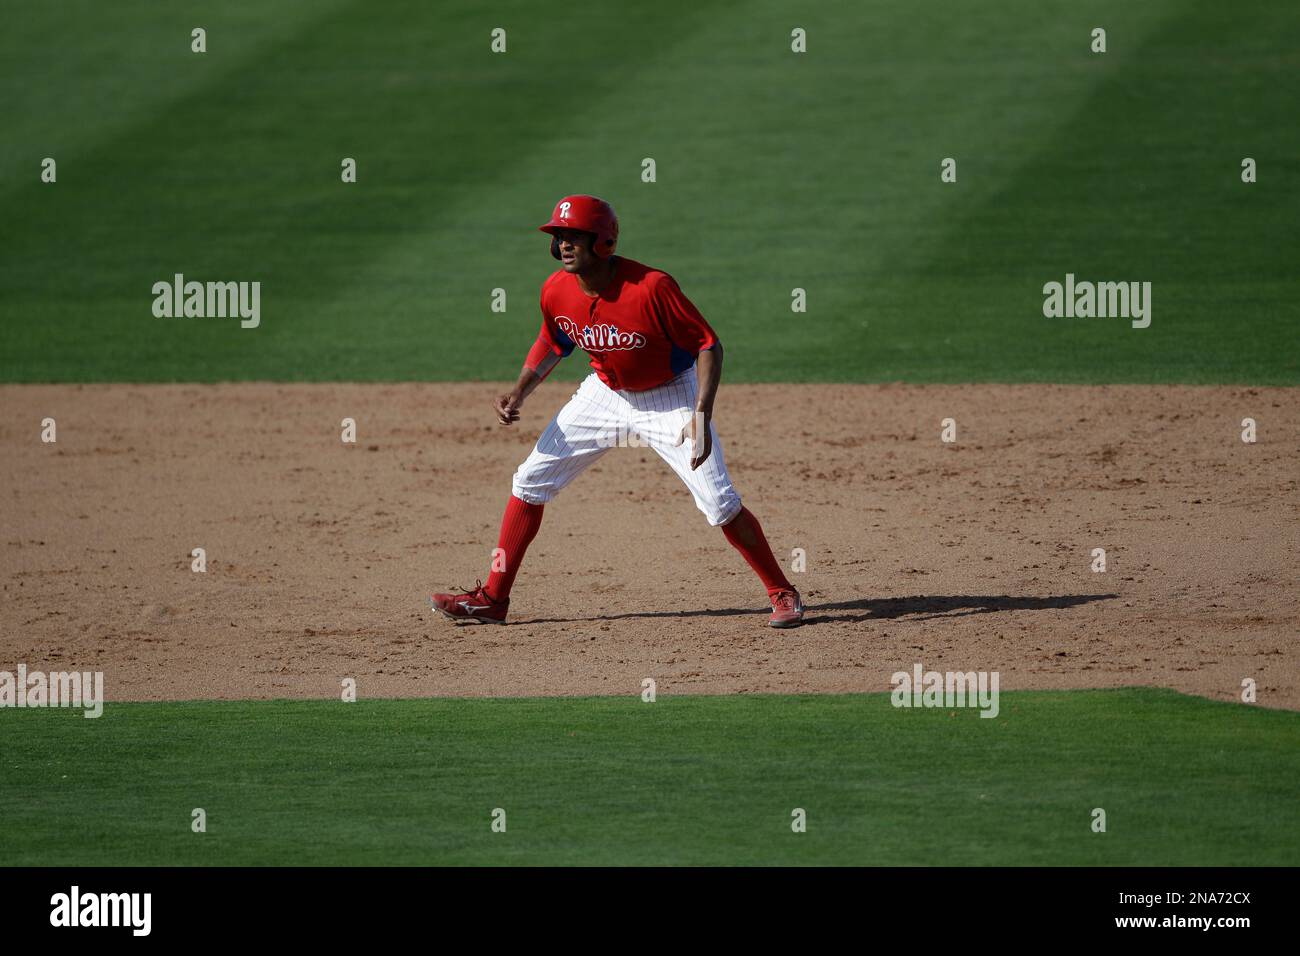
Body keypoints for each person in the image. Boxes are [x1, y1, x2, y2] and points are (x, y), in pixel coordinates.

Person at [430, 195, 804, 628]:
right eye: (559, 237)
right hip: (604, 395)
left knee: (719, 502)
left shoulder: (651, 287)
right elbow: (554, 342)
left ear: (603, 242)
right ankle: (493, 599)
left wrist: (700, 413)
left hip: (670, 397)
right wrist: (520, 392)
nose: (564, 245)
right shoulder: (555, 289)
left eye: (574, 237)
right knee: (529, 481)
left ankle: (783, 592)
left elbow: (707, 344)